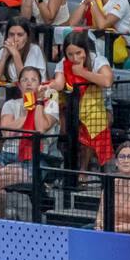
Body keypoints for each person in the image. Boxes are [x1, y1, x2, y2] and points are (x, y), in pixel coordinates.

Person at [0, 66, 60, 214]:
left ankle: (0, 219)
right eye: (24, 80)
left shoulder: (50, 104)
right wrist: (28, 115)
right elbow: (7, 132)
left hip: (36, 159)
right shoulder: (11, 105)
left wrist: (38, 104)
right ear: (19, 84)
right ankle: (2, 217)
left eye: (33, 80)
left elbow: (41, 128)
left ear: (40, 85)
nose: (29, 83)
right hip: (7, 156)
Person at [49, 30, 114, 169]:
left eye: (78, 53)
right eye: (70, 54)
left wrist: (82, 73)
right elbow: (59, 83)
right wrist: (46, 86)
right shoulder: (63, 63)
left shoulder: (98, 60)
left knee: (91, 128)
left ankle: (83, 171)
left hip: (99, 107)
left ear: (85, 50)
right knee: (64, 125)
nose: (74, 58)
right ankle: (67, 166)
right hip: (71, 106)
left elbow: (107, 81)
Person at [0, 17, 48, 84]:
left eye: (20, 35)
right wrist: (4, 56)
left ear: (27, 37)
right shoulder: (5, 50)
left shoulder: (34, 50)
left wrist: (15, 54)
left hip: (33, 92)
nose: (15, 39)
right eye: (11, 34)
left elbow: (27, 82)